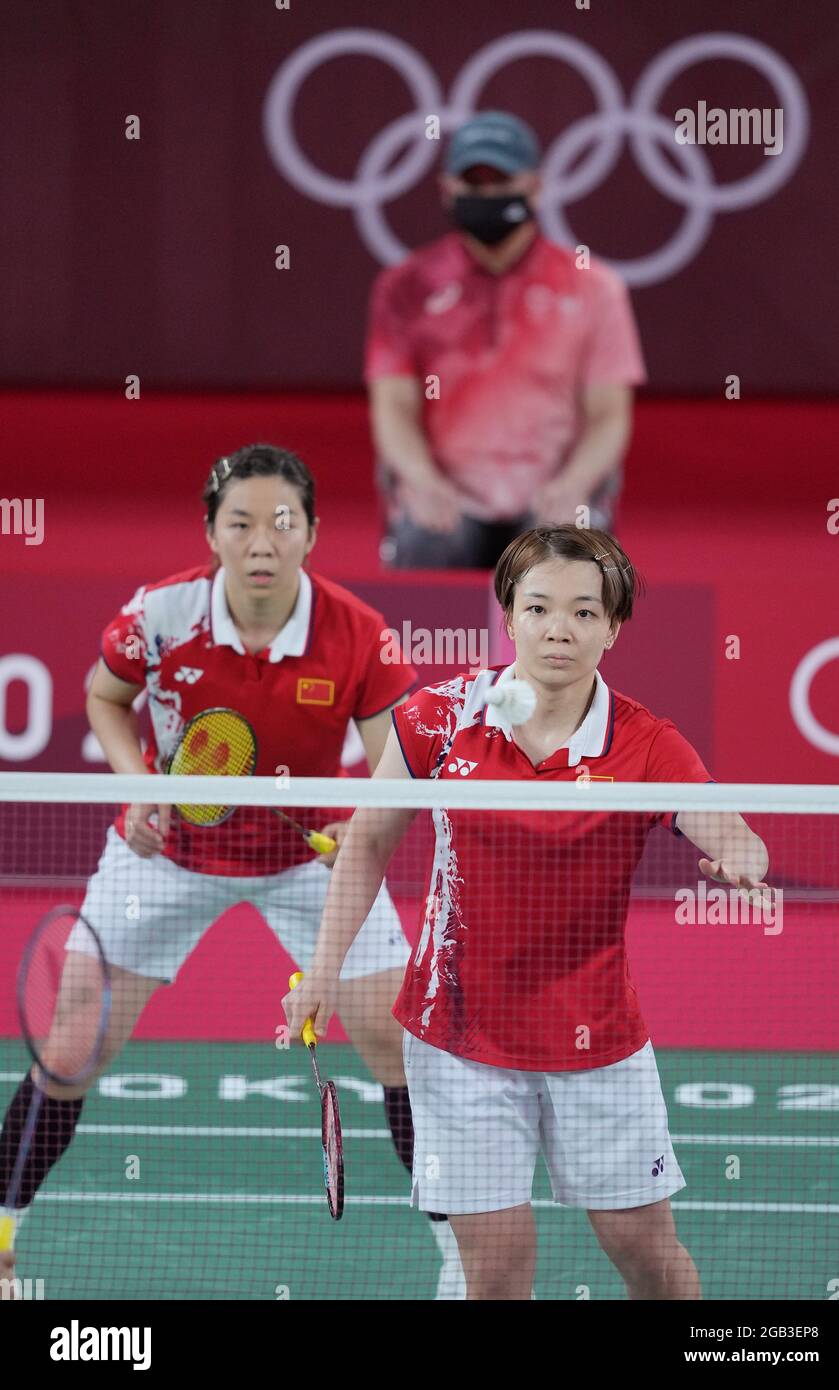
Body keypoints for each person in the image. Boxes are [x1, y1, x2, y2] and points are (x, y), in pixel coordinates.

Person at [0, 444, 462, 1296]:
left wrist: (355, 823)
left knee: (402, 1049)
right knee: (71, 1047)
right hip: (168, 853)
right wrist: (139, 790)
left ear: (312, 534)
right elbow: (105, 694)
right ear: (211, 533)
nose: (261, 540)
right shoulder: (160, 615)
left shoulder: (357, 633)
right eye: (240, 522)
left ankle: (461, 1259)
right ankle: (1, 1234)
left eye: (281, 522)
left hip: (306, 858)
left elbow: (391, 768)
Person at [284, 524, 772, 1300]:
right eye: (539, 607)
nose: (558, 628)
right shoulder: (438, 718)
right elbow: (369, 841)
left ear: (612, 629)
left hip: (597, 1041)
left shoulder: (644, 743)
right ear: (507, 614)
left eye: (584, 612)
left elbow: (722, 825)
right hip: (458, 1039)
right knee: (498, 1277)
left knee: (647, 1258)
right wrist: (321, 971)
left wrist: (742, 857)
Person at [366, 110, 646, 569]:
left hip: (550, 495)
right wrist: (422, 479)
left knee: (570, 554)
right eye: (473, 183)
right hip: (449, 499)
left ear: (535, 185)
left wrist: (574, 484)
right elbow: (393, 405)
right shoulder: (405, 286)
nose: (487, 194)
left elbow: (608, 417)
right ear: (446, 188)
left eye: (501, 181)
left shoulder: (594, 287)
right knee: (424, 544)